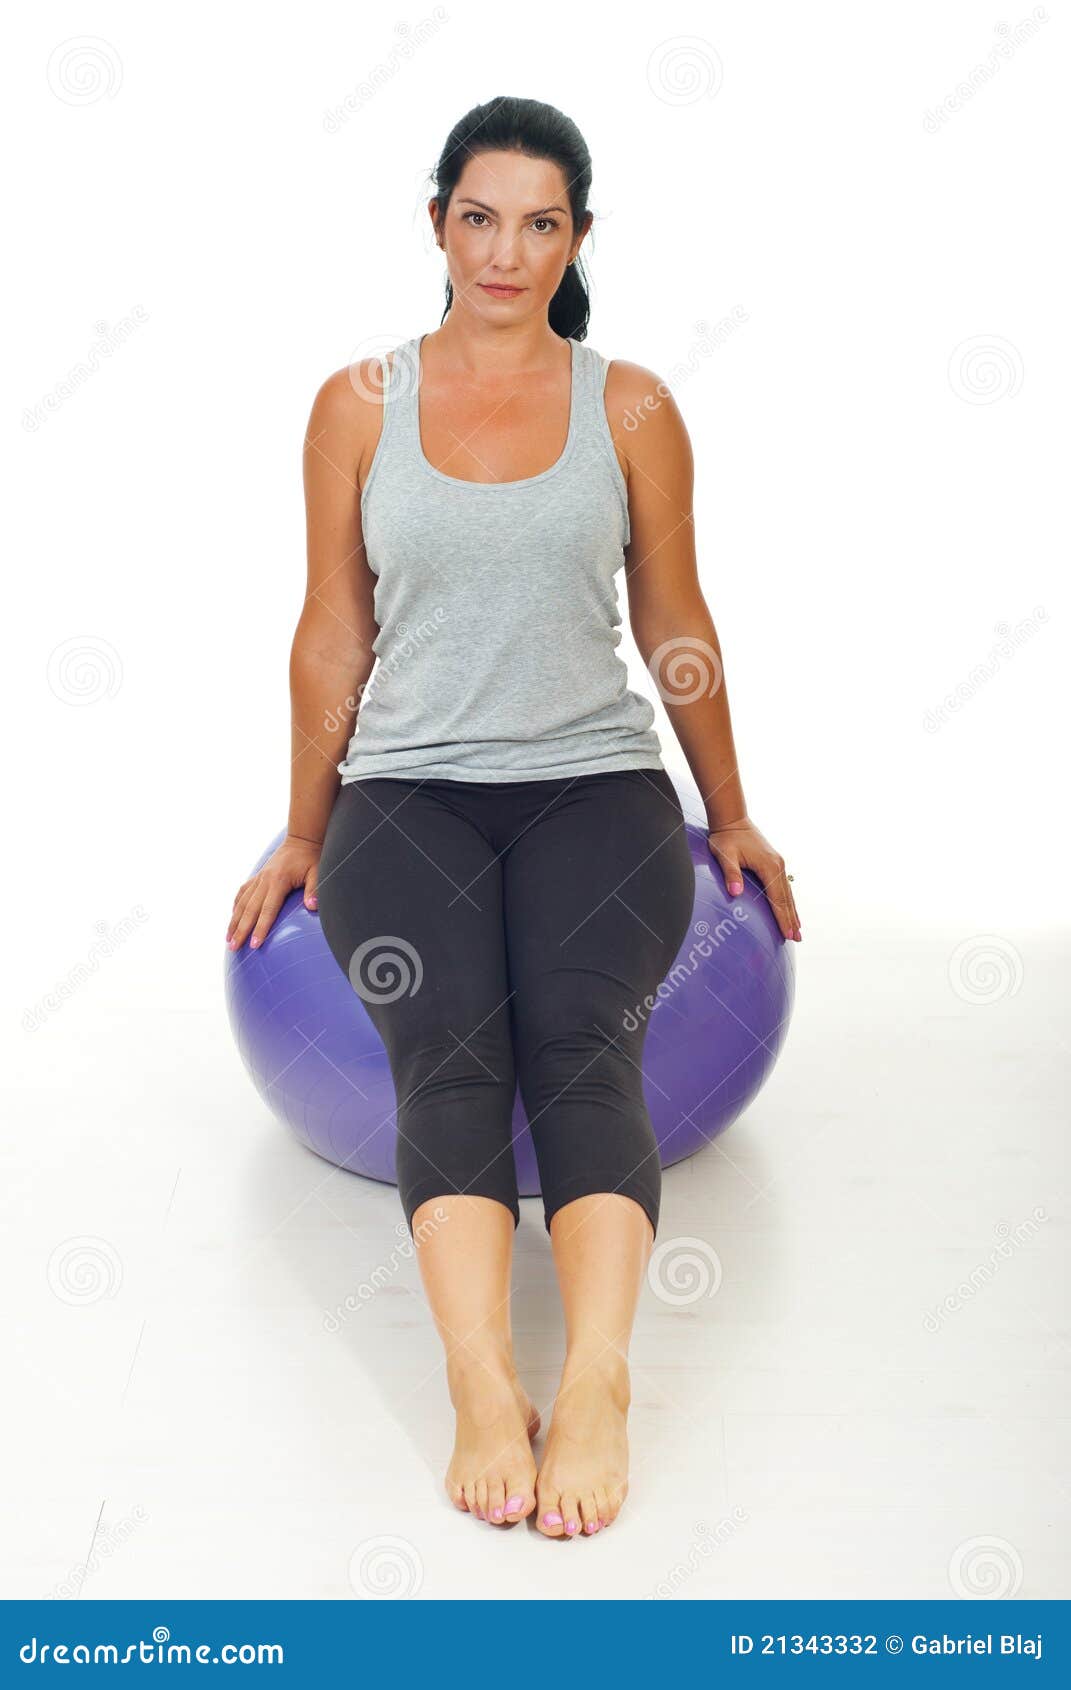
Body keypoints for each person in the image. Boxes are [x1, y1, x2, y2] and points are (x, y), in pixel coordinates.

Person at [226, 95, 801, 1541]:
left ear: (577, 240)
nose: (506, 249)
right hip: (407, 791)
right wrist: (303, 829)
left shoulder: (634, 407)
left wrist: (731, 811)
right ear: (437, 224)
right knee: (451, 1046)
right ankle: (483, 1378)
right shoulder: (357, 404)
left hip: (596, 789)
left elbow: (675, 622)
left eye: (541, 223)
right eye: (480, 217)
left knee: (581, 1038)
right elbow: (330, 630)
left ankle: (597, 1379)